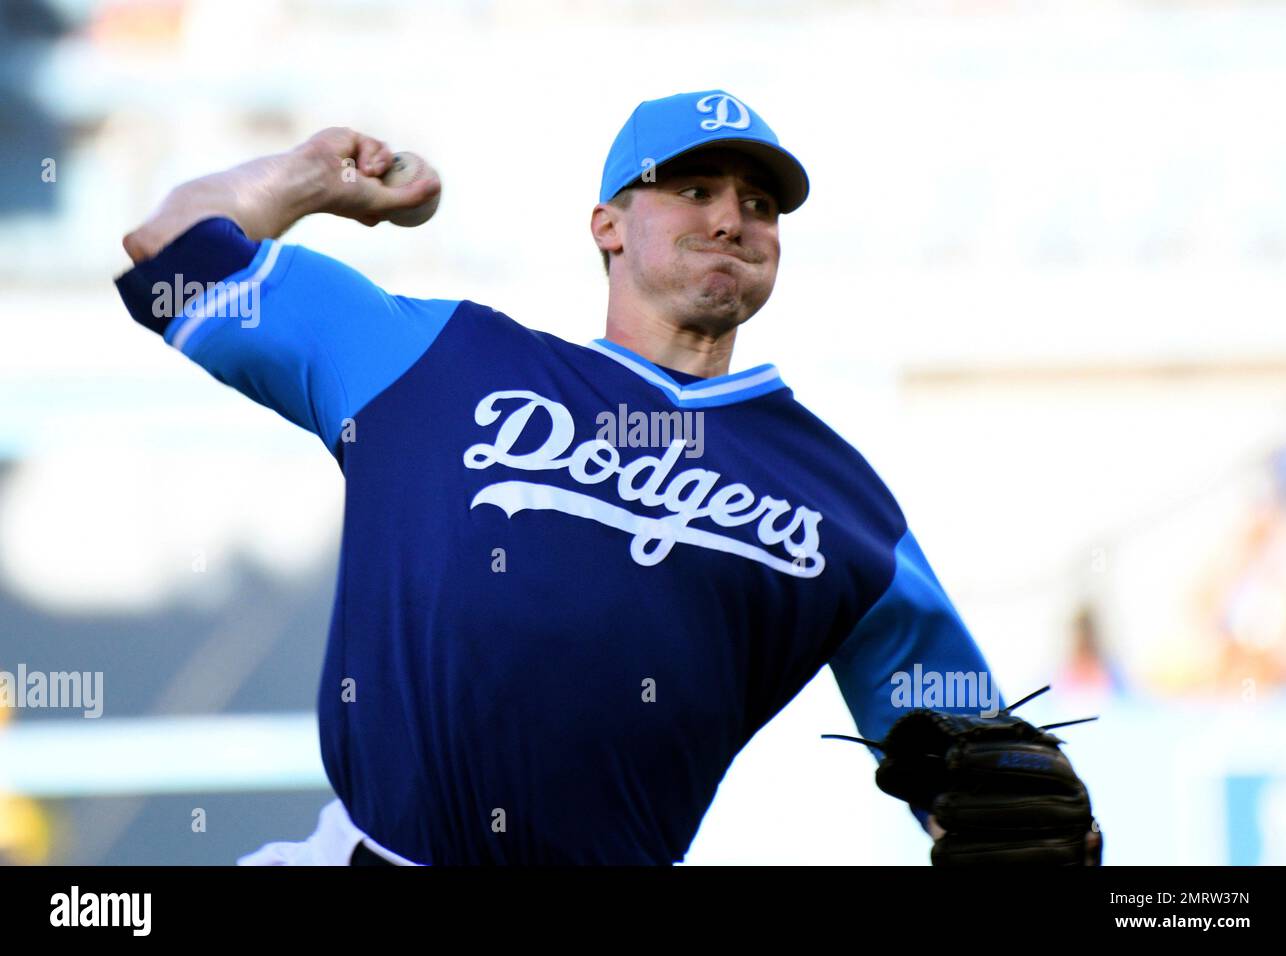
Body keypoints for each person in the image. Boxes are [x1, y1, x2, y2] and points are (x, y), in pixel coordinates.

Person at [114, 90, 1002, 865]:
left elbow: (994, 779)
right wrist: (311, 179)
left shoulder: (841, 503)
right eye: (693, 190)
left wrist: (1043, 830)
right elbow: (167, 260)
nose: (732, 219)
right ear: (607, 225)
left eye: (760, 204)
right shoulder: (432, 356)